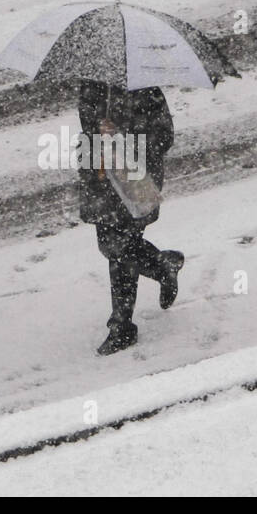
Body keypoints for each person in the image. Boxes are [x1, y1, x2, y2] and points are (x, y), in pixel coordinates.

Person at [77, 80, 184, 355]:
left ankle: (121, 327)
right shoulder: (90, 86)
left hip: (135, 178)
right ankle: (162, 266)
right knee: (110, 245)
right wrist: (94, 139)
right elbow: (88, 131)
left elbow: (164, 135)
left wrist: (124, 138)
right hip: (101, 179)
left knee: (121, 250)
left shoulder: (146, 88)